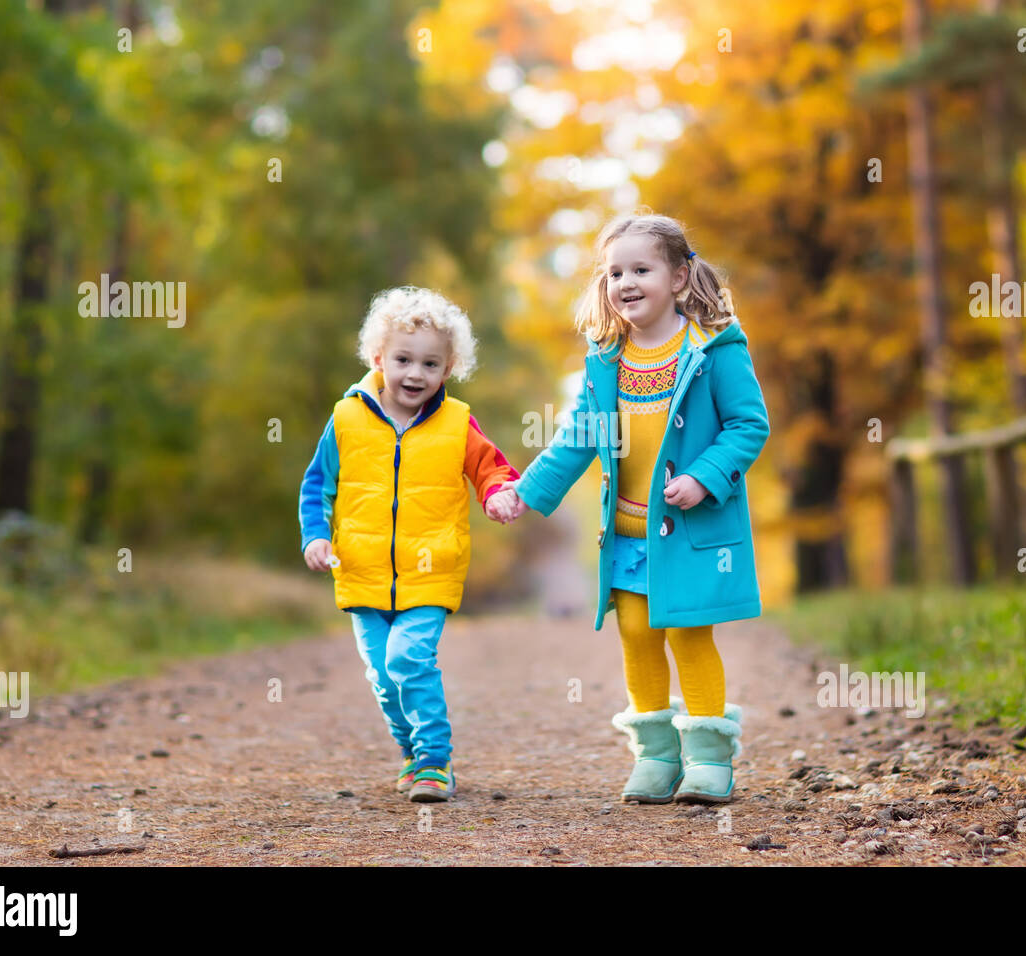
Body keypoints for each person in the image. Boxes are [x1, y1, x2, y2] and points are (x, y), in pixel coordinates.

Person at [502, 213, 769, 804]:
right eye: (615, 272)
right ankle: (655, 756)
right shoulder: (605, 359)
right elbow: (578, 436)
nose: (625, 282)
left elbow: (748, 425)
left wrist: (704, 477)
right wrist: (524, 490)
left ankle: (709, 759)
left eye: (641, 269)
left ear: (678, 277)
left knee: (689, 635)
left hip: (690, 529)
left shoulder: (714, 348)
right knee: (638, 636)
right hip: (626, 531)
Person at [299, 286, 520, 802]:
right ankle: (411, 752)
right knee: (382, 675)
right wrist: (316, 535)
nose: (415, 373)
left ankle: (435, 761)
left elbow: (491, 468)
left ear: (448, 370)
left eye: (430, 363)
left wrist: (497, 495)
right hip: (361, 570)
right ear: (379, 358)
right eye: (403, 360)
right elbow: (317, 485)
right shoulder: (346, 418)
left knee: (408, 659)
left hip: (431, 571)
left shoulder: (457, 422)